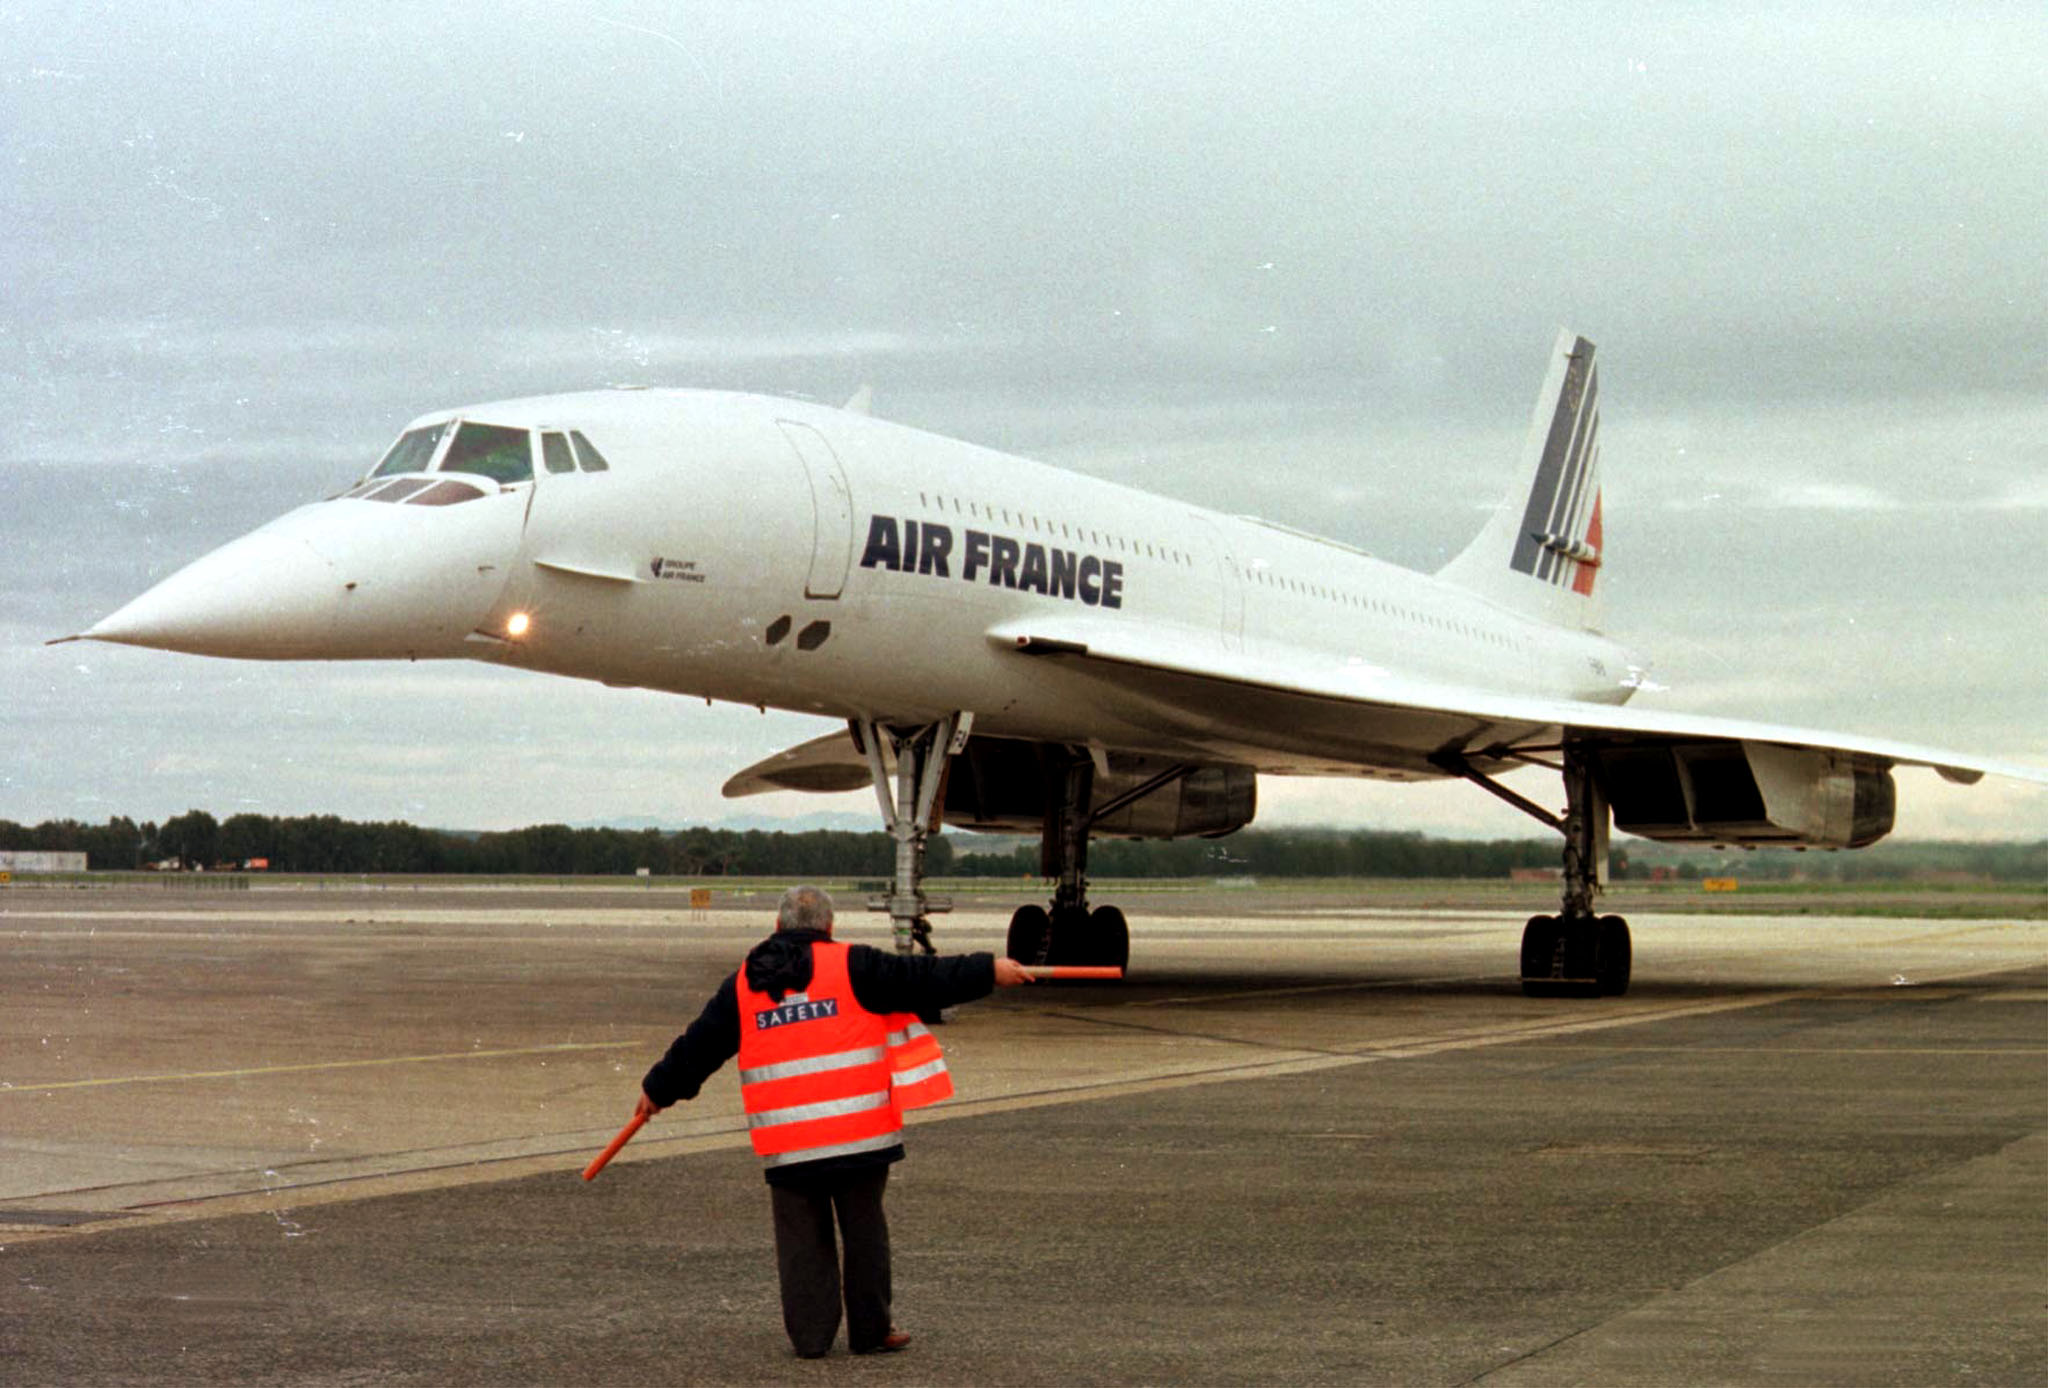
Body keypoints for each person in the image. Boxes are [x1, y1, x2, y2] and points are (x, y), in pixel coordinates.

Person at [635, 884, 1033, 1358]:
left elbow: (699, 1046)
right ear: (829, 928)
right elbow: (925, 977)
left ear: (778, 927)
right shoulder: (855, 965)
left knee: (802, 1244)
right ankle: (871, 1332)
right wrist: (991, 969)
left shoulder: (745, 982)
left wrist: (656, 1090)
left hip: (789, 1142)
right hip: (858, 1136)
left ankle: (810, 1338)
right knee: (865, 1235)